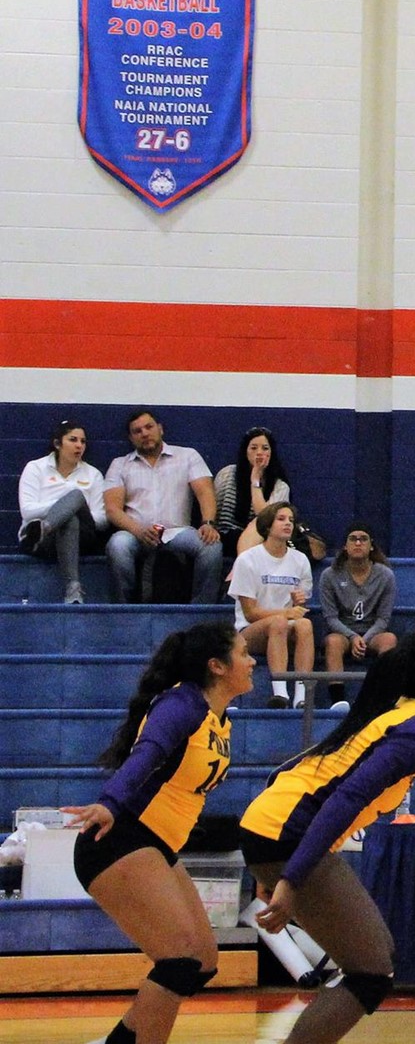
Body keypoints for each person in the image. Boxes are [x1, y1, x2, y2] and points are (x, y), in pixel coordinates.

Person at [239, 630, 415, 1044]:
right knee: (371, 974)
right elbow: (346, 798)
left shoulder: (396, 710)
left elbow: (287, 771)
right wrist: (289, 878)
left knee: (376, 957)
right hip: (288, 835)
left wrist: (270, 861)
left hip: (272, 827)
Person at [62, 622, 255, 1044]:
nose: (252, 661)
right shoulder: (181, 704)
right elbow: (146, 752)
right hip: (119, 838)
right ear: (217, 666)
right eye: (244, 653)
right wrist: (110, 801)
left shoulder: (219, 719)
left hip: (156, 844)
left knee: (202, 961)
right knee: (179, 961)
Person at [102, 409, 223, 604]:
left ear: (160, 429)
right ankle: (123, 609)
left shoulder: (187, 456)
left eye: (149, 427)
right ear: (131, 438)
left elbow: (205, 492)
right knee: (117, 546)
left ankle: (201, 609)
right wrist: (138, 530)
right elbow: (112, 509)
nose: (144, 433)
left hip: (178, 532)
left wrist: (208, 523)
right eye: (137, 431)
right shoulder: (120, 464)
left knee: (212, 547)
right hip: (135, 532)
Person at [229, 502, 316, 709]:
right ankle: (280, 693)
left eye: (291, 520)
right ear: (268, 525)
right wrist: (287, 613)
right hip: (251, 630)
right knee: (279, 623)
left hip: (287, 625)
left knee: (305, 625)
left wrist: (298, 602)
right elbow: (250, 613)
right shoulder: (248, 559)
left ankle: (301, 696)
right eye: (281, 519)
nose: (288, 524)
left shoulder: (300, 560)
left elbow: (300, 606)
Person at [17, 418, 109, 603]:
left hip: (82, 538)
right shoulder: (35, 468)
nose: (79, 445)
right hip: (42, 543)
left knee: (76, 496)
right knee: (69, 518)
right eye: (73, 440)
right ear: (57, 444)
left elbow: (102, 520)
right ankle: (73, 588)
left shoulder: (93, 474)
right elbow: (27, 511)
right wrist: (63, 508)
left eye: (83, 441)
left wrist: (74, 507)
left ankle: (45, 527)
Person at [320, 522, 397, 709]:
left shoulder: (385, 575)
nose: (358, 543)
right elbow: (330, 617)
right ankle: (338, 700)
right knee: (333, 642)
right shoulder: (330, 575)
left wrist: (365, 638)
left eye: (363, 539)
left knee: (389, 640)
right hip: (343, 632)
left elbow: (383, 618)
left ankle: (382, 697)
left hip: (373, 632)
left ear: (371, 546)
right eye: (353, 539)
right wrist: (352, 637)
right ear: (345, 546)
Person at [212, 426, 291, 556]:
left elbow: (265, 519)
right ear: (246, 451)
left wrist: (255, 479)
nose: (259, 452)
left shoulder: (280, 486)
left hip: (259, 541)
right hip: (224, 535)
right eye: (254, 448)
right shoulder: (227, 473)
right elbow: (214, 508)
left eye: (265, 448)